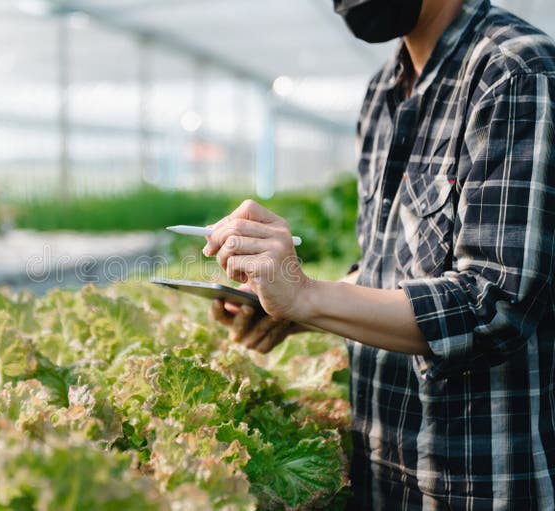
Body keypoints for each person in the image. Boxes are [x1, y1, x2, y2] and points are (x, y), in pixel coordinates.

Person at [206, 0, 555, 509]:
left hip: (474, 485)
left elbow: (493, 304)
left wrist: (308, 296)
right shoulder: (382, 93)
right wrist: (293, 308)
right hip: (382, 476)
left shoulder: (514, 71)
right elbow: (388, 271)